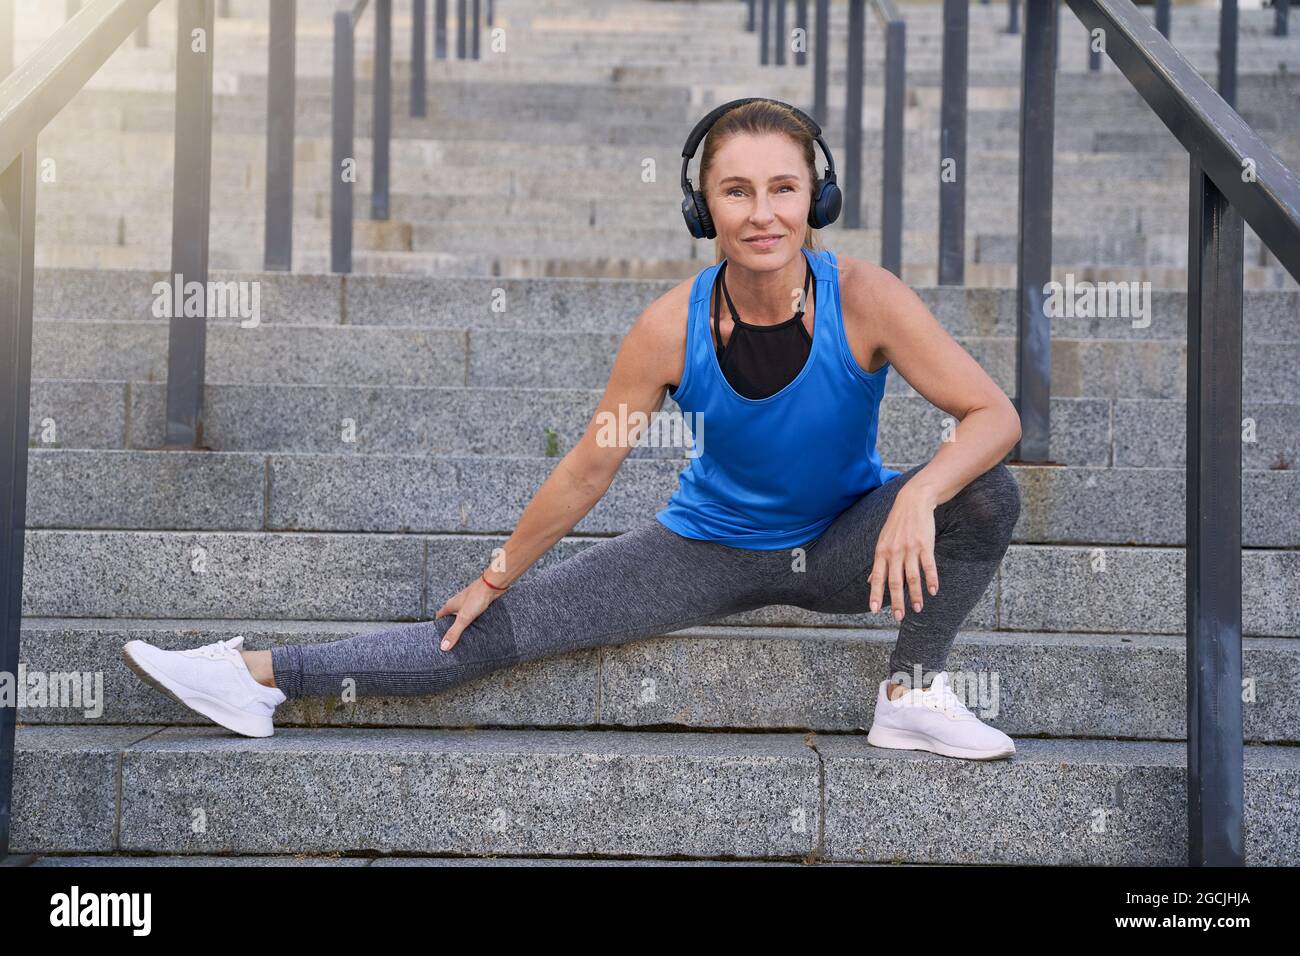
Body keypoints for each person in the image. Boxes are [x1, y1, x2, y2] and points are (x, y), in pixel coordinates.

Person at [122, 98, 1022, 760]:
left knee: (986, 487)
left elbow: (994, 417)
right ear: (702, 207)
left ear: (815, 199)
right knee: (477, 636)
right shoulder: (670, 326)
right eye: (736, 190)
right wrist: (496, 574)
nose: (763, 213)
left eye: (784, 188)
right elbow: (590, 471)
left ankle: (911, 693)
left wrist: (920, 496)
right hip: (700, 550)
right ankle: (250, 676)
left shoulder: (867, 300)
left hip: (840, 546)